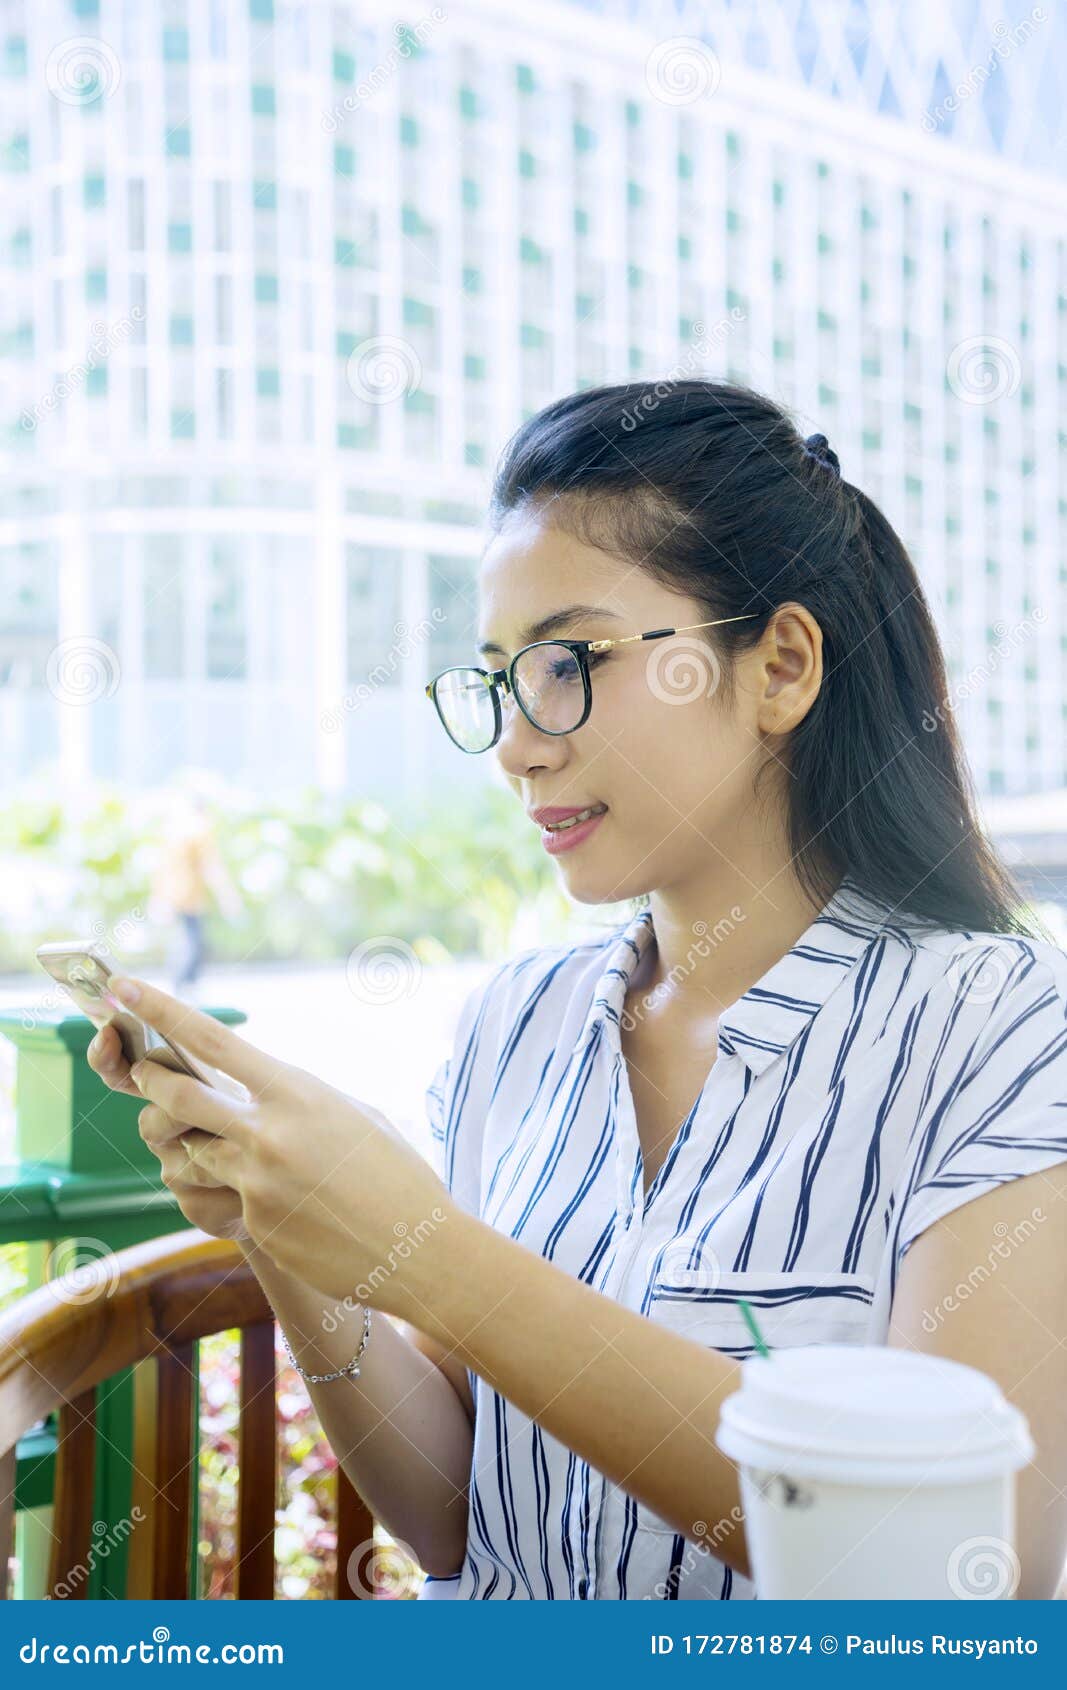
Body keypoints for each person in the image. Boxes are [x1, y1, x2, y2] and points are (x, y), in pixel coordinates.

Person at [88, 381, 1067, 1601]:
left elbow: (953, 1579)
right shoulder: (517, 1023)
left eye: (564, 663)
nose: (516, 743)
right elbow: (451, 1521)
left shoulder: (1004, 1028)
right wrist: (290, 1229)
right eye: (497, 679)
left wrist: (428, 1252)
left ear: (778, 666)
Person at [150, 791, 241, 996]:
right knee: (192, 943)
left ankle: (180, 988)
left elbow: (162, 868)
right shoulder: (200, 829)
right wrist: (227, 896)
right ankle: (185, 989)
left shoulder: (175, 830)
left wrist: (159, 898)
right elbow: (211, 866)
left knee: (184, 941)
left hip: (173, 897)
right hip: (188, 897)